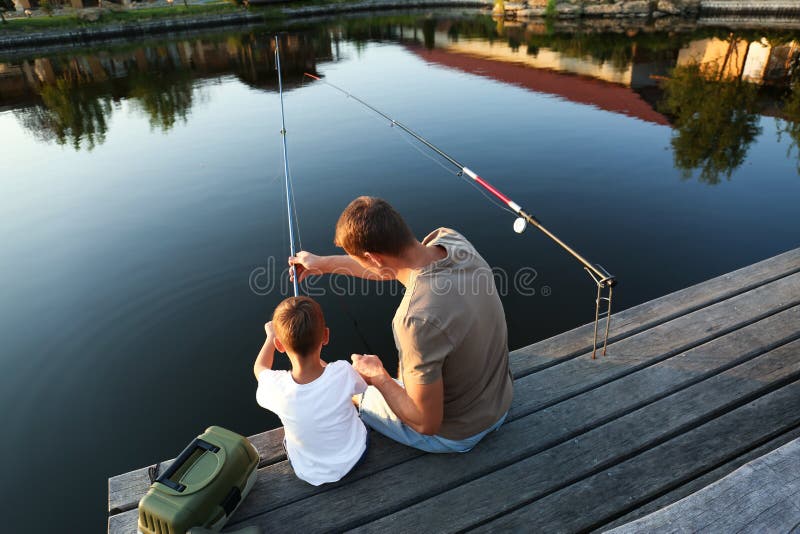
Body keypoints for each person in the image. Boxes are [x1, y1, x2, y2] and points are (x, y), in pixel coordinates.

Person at [289, 196, 513, 453]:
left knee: (354, 391)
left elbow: (425, 422)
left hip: (461, 433)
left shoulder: (415, 319)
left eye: (361, 260)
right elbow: (391, 267)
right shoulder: (453, 241)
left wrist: (378, 377)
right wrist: (323, 265)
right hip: (501, 399)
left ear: (373, 258)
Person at [253, 296, 368, 485]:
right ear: (326, 336)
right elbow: (361, 388)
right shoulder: (343, 371)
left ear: (279, 346)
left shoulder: (275, 386)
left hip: (308, 471)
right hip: (356, 455)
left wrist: (270, 337)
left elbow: (259, 369)